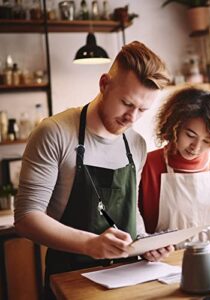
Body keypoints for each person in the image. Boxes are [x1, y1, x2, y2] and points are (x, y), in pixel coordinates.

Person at [14, 41, 173, 298]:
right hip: (69, 281)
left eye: (142, 110)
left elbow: (131, 210)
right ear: (104, 84)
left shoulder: (136, 144)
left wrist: (144, 243)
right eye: (126, 103)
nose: (132, 117)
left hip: (129, 280)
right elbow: (26, 218)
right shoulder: (54, 133)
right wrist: (90, 244)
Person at [139, 85, 210, 236]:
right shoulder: (149, 165)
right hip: (169, 258)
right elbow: (141, 229)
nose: (196, 147)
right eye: (190, 135)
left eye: (207, 141)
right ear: (174, 126)